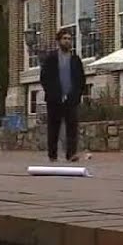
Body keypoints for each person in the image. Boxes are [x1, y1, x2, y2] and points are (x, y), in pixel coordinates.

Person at [39, 29, 85, 162]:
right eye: (64, 38)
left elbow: (81, 80)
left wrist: (76, 95)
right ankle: (52, 155)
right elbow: (44, 78)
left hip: (71, 99)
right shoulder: (51, 59)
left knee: (72, 127)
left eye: (69, 39)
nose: (67, 41)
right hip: (55, 99)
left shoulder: (75, 60)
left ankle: (71, 154)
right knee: (53, 127)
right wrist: (52, 93)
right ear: (59, 41)